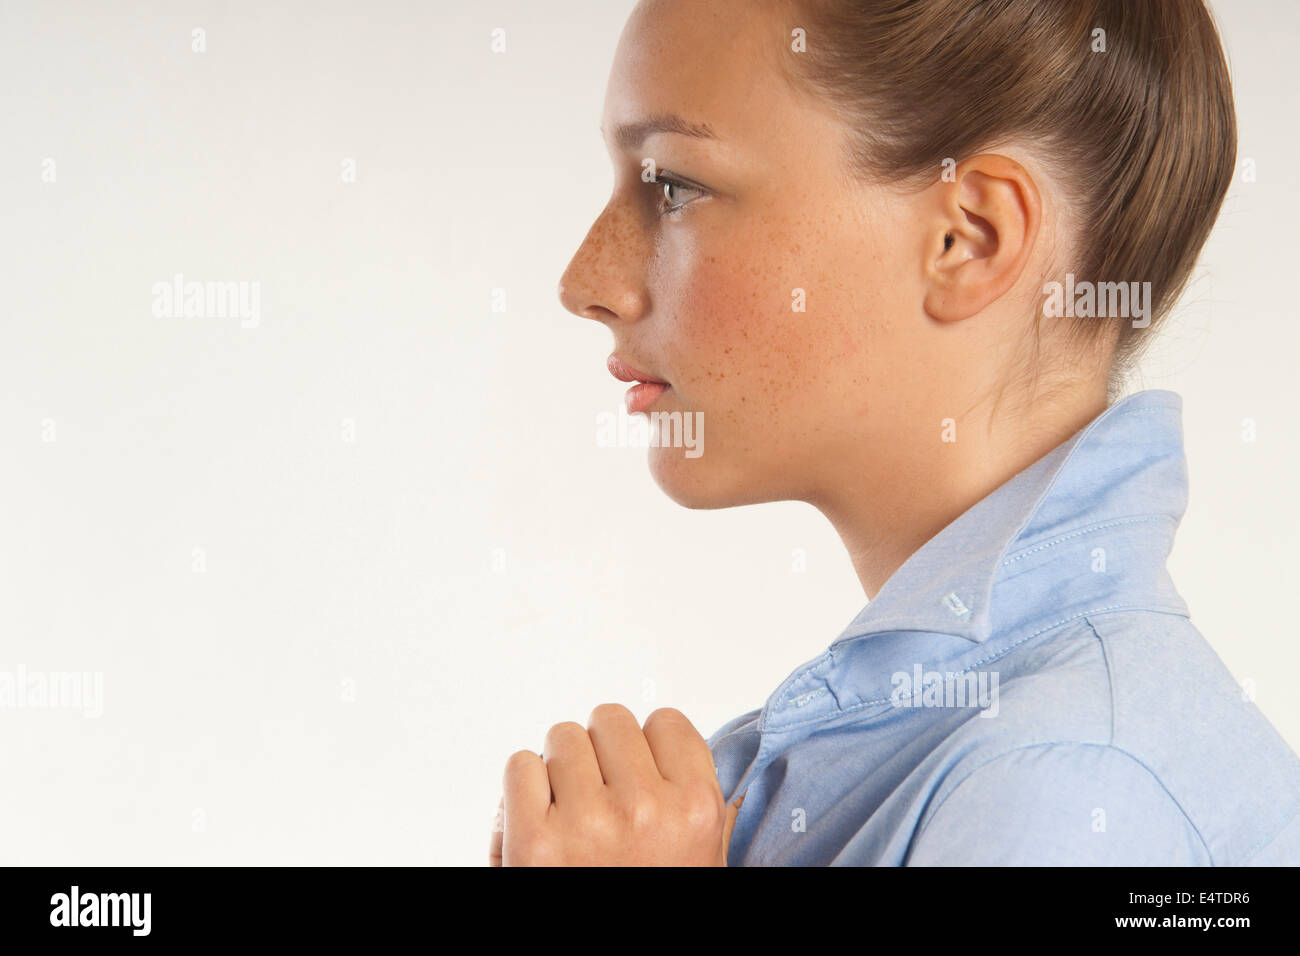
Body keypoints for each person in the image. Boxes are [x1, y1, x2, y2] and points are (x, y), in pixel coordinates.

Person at [491, 0, 1300, 865]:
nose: (587, 280)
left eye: (676, 187)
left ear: (968, 239)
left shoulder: (1072, 788)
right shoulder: (1010, 747)